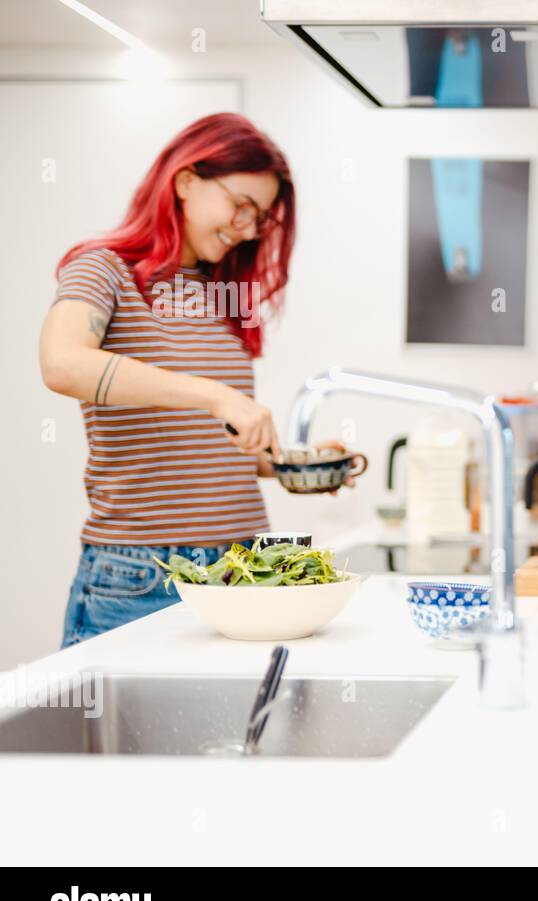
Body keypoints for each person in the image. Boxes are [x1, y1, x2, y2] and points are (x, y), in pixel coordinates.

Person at [40, 112, 340, 648]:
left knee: (237, 736)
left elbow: (207, 443)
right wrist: (215, 394)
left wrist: (293, 465)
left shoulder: (218, 292)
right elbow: (63, 364)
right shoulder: (103, 270)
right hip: (141, 577)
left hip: (242, 570)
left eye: (261, 217)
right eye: (242, 206)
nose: (248, 228)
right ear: (185, 182)